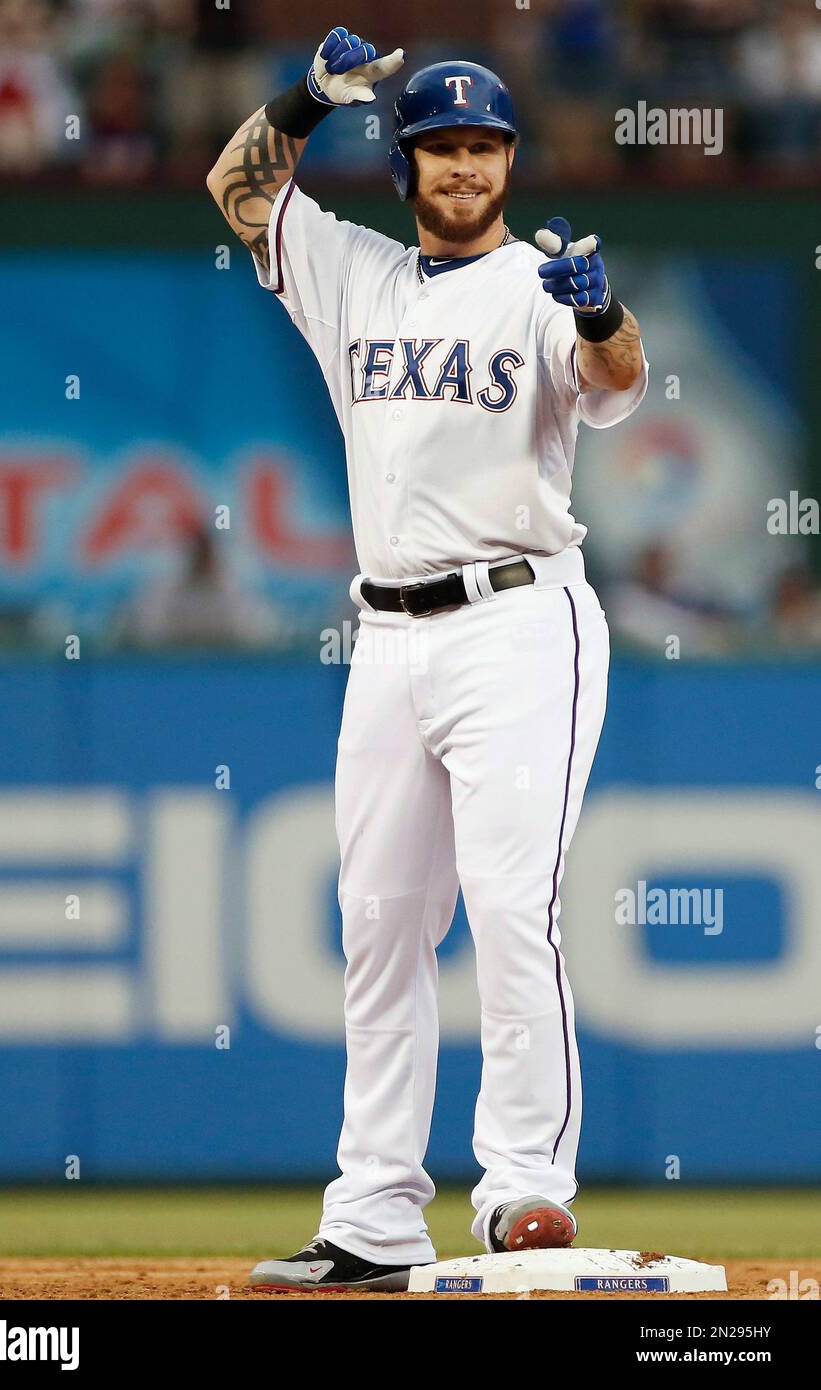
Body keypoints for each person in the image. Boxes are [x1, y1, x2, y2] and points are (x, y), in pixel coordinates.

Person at [207, 26, 648, 1291]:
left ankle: (520, 1190)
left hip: (520, 618)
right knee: (379, 927)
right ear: (403, 166)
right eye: (441, 146)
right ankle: (371, 1217)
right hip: (387, 634)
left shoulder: (545, 278)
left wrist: (602, 313)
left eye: (482, 145)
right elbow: (237, 192)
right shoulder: (350, 273)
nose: (463, 164)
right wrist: (301, 98)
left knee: (514, 910)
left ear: (507, 159)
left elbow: (618, 380)